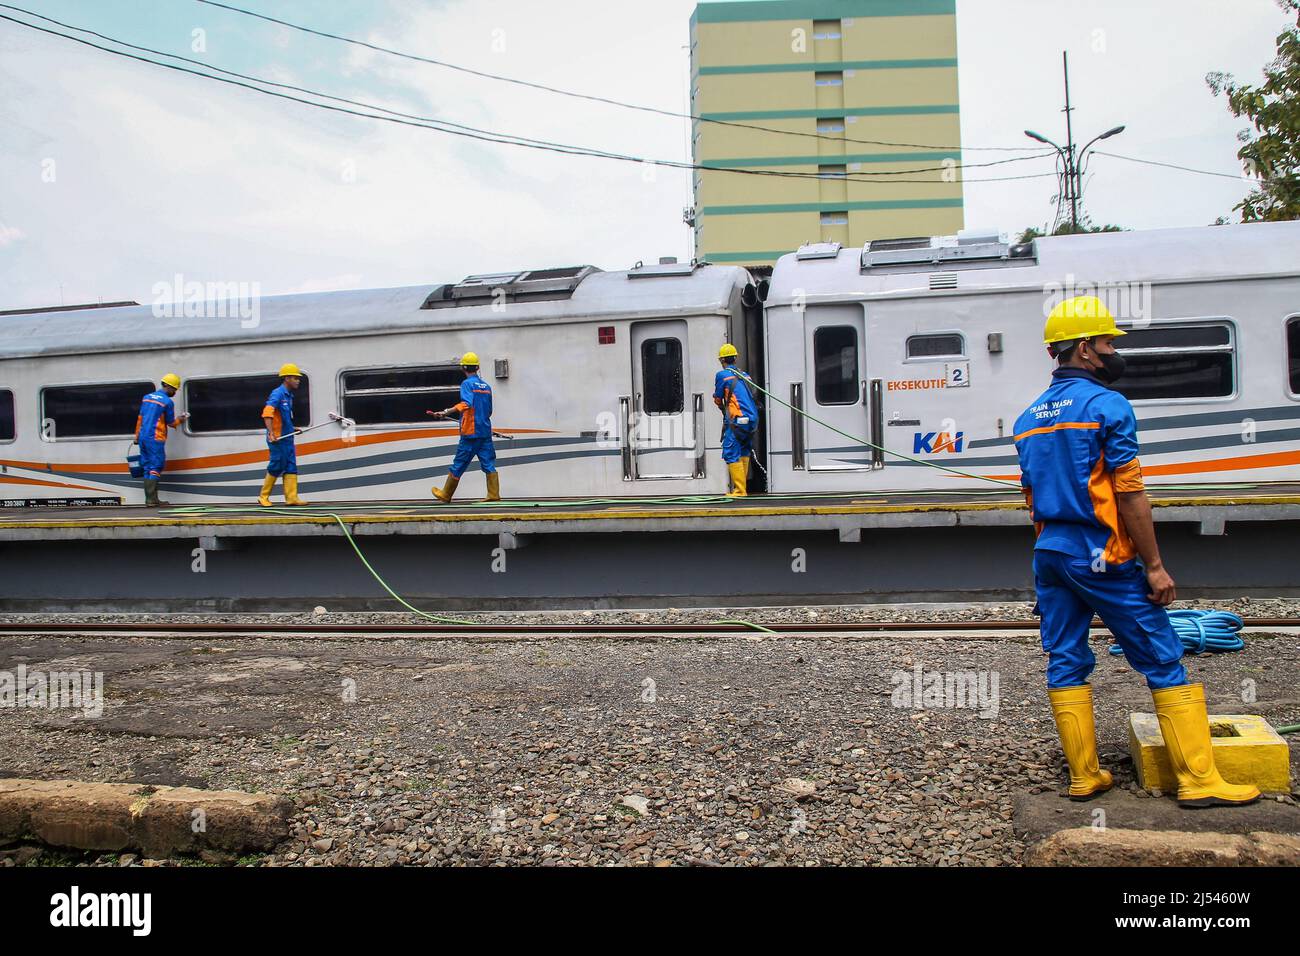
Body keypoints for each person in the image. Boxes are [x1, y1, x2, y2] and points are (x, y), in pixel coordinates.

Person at [1014, 295, 1258, 808]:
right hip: (1101, 552)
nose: (1113, 352)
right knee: (1163, 657)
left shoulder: (1028, 418)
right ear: (1084, 348)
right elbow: (1130, 494)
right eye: (1106, 343)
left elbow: (1033, 495)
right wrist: (1155, 565)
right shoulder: (1107, 405)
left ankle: (1085, 777)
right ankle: (1197, 781)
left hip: (1051, 555)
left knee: (1065, 658)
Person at [429, 352, 500, 503]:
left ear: (463, 368)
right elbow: (489, 411)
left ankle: (446, 494)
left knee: (460, 462)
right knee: (488, 463)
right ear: (478, 367)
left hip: (470, 433)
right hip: (485, 431)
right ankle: (493, 494)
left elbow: (466, 403)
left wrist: (446, 412)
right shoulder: (486, 387)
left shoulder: (466, 384)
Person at [134, 373, 189, 507]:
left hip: (142, 437)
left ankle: (151, 499)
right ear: (169, 387)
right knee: (156, 466)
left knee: (147, 467)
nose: (175, 392)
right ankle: (152, 500)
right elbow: (170, 422)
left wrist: (136, 436)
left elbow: (140, 418)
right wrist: (181, 420)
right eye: (175, 389)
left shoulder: (146, 398)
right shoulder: (167, 402)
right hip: (155, 438)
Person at [713, 343, 759, 497]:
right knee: (744, 449)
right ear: (735, 358)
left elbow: (718, 398)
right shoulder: (746, 375)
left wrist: (721, 406)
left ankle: (739, 490)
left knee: (730, 450)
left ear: (722, 360)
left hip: (738, 419)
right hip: (752, 419)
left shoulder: (722, 375)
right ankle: (742, 489)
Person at [259, 363, 308, 507]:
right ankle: (263, 496)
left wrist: (292, 428)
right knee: (277, 464)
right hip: (277, 438)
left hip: (287, 437)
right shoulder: (278, 393)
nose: (298, 380)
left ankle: (292, 498)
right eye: (295, 378)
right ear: (287, 378)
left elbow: (282, 418)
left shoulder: (289, 395)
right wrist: (271, 433)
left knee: (291, 465)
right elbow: (267, 414)